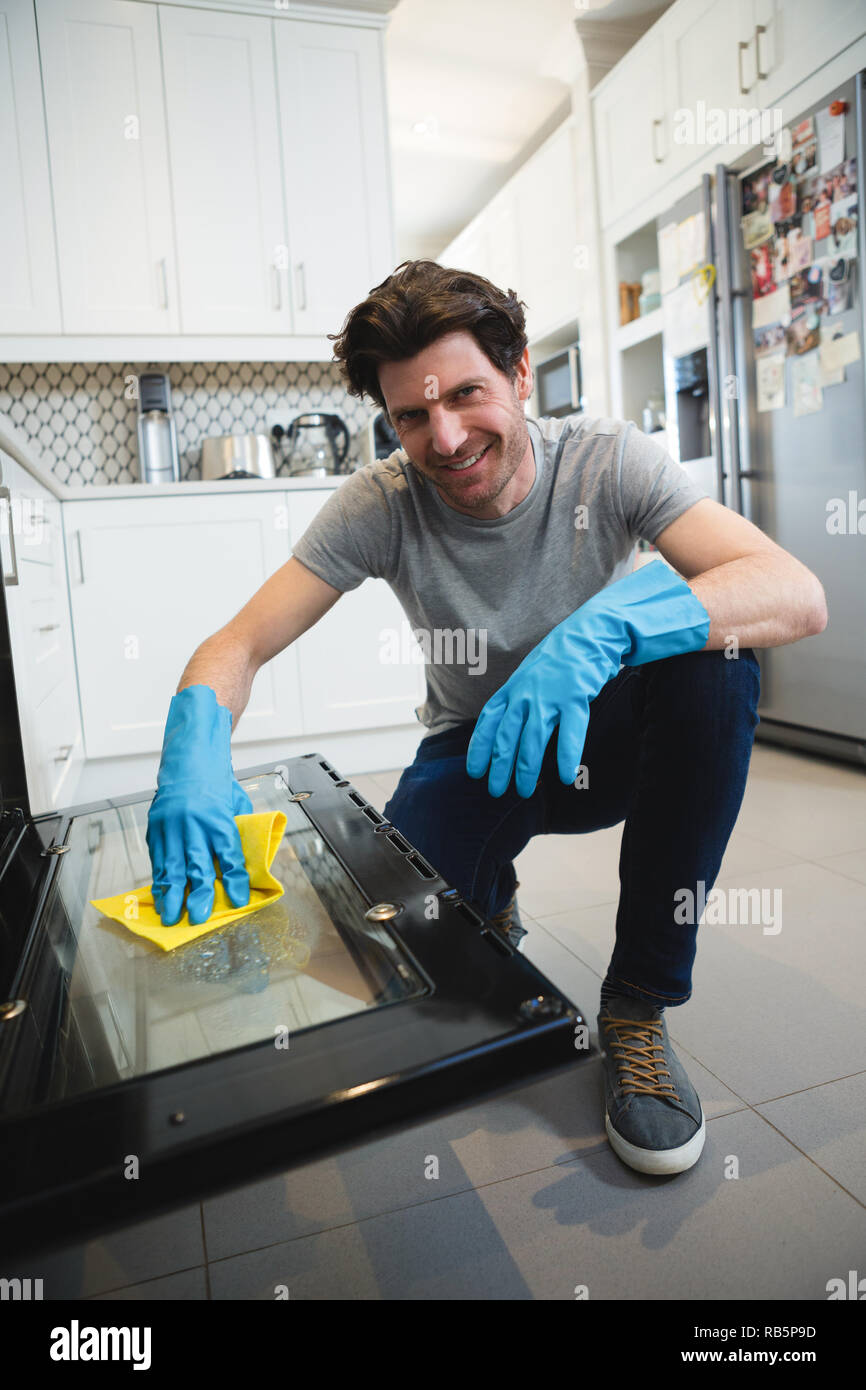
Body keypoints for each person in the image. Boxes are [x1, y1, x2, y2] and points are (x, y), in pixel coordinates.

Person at [146, 261, 827, 1177]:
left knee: (717, 665)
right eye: (413, 417)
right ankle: (489, 898)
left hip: (607, 742)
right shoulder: (380, 503)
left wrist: (598, 633)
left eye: (467, 395)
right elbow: (238, 644)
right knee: (393, 961)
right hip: (477, 752)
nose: (448, 437)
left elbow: (793, 590)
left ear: (516, 374)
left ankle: (636, 1004)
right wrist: (192, 744)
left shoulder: (607, 460)